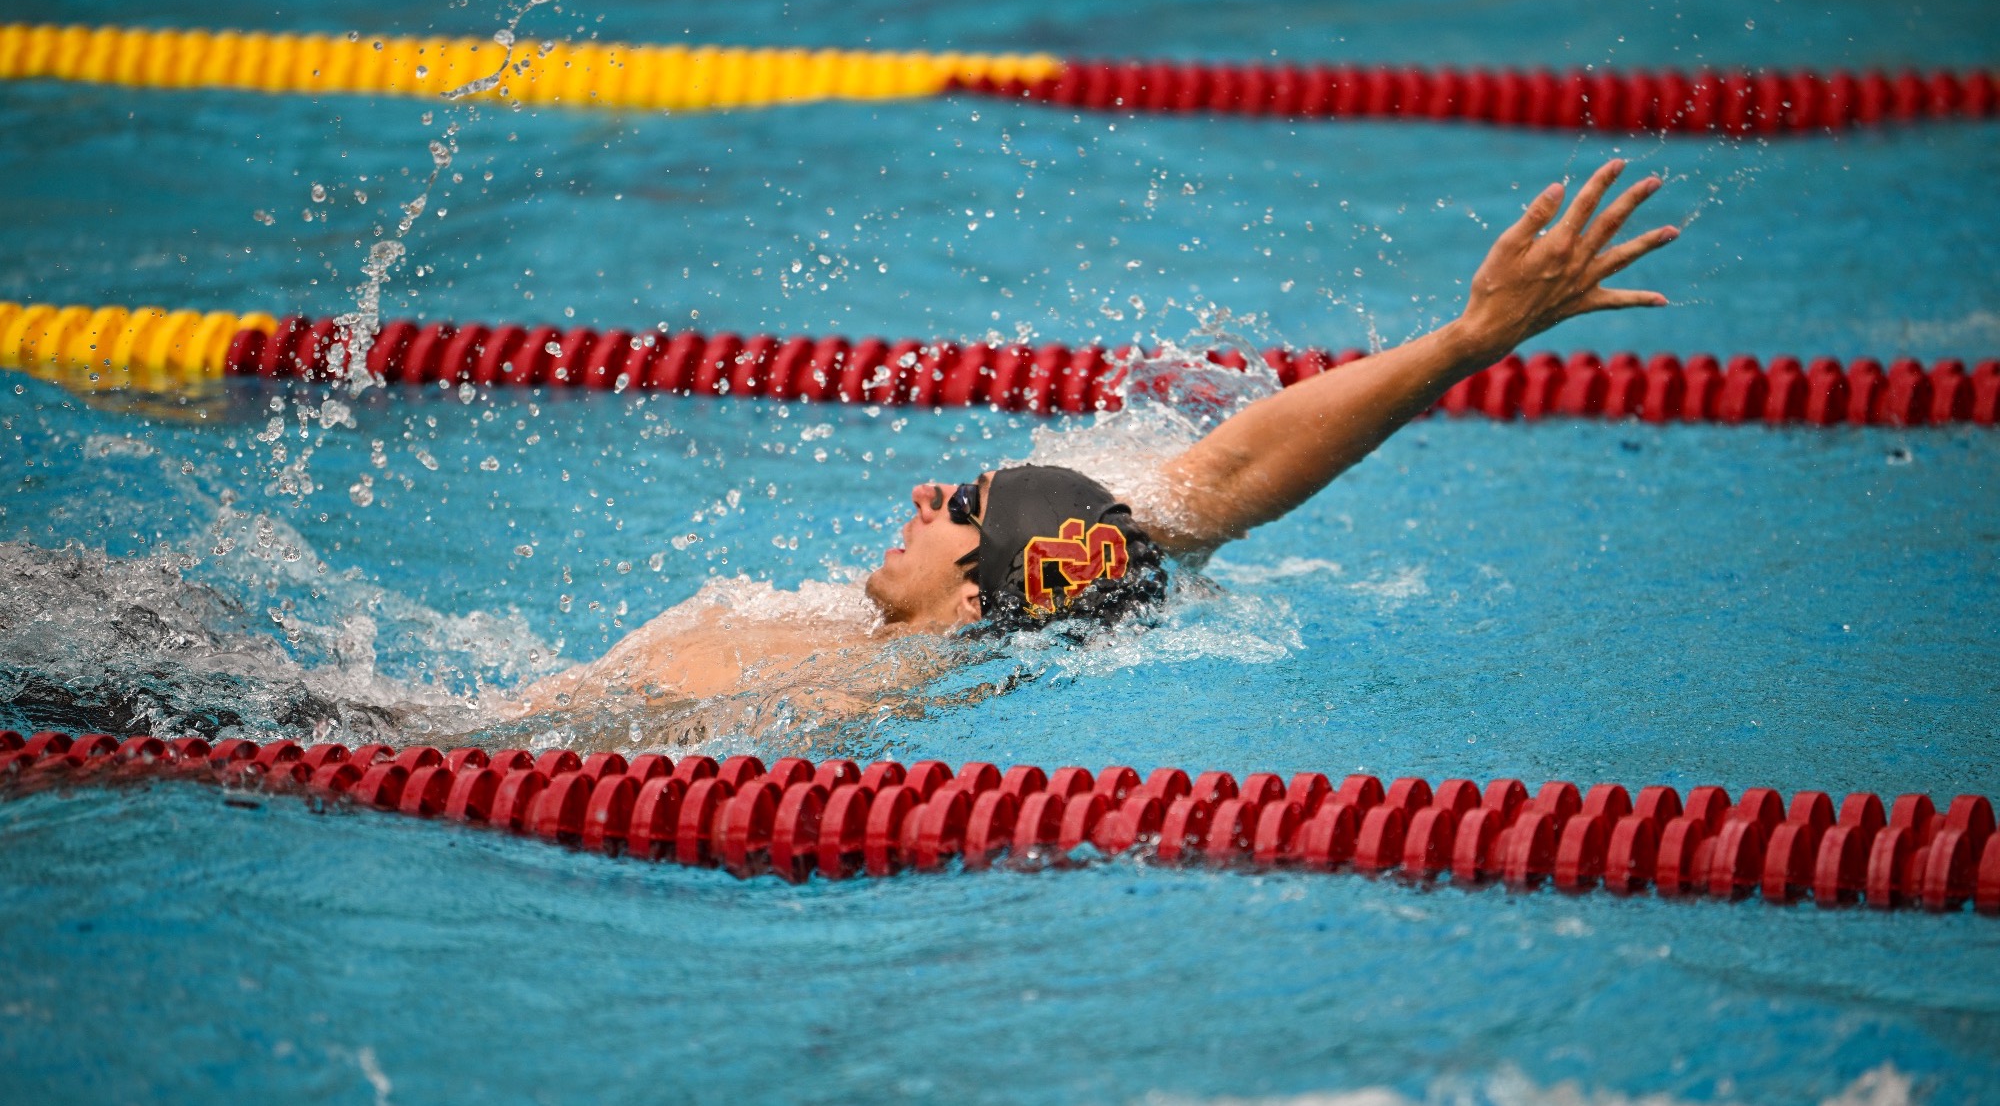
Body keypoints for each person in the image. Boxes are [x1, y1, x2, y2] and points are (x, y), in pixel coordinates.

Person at [513, 158, 1678, 742]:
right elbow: (1222, 479)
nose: (926, 491)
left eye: (962, 505)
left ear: (973, 600)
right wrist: (1466, 340)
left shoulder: (829, 695)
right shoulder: (938, 619)